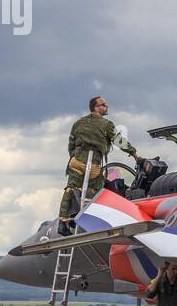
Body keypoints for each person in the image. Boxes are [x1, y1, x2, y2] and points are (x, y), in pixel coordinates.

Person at [57, 96, 140, 236]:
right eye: (103, 105)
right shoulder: (106, 124)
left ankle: (63, 221)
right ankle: (88, 219)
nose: (106, 107)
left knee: (71, 188)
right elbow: (120, 141)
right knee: (99, 190)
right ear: (96, 107)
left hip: (76, 161)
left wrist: (77, 157)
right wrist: (135, 155)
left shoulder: (78, 123)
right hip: (94, 165)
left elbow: (71, 145)